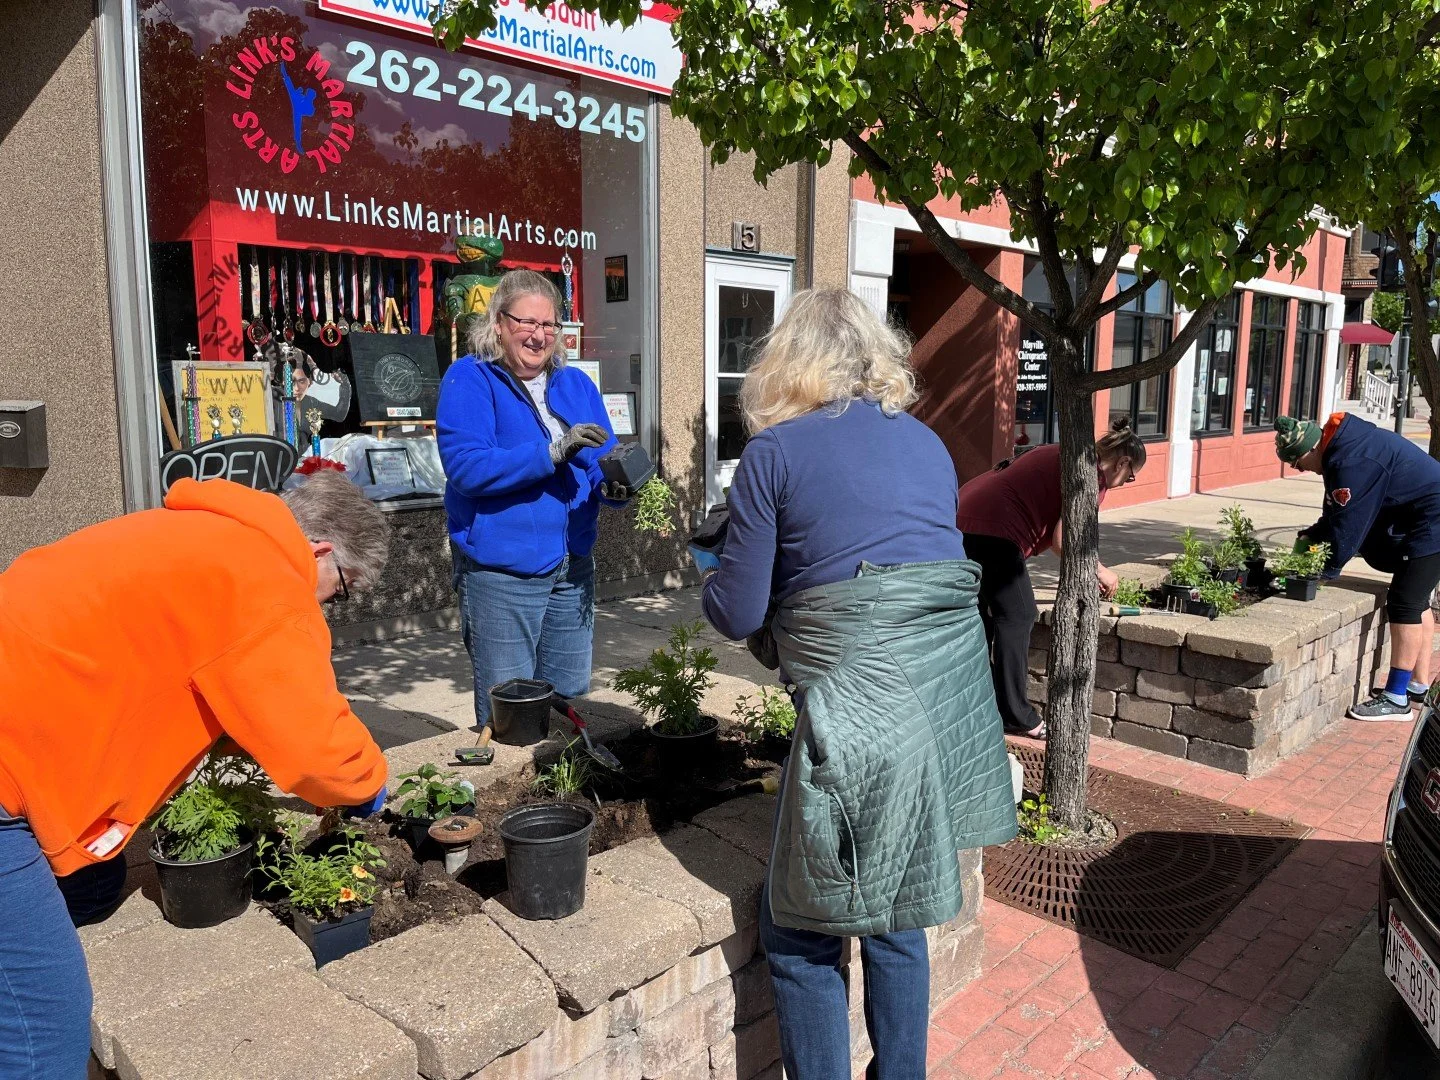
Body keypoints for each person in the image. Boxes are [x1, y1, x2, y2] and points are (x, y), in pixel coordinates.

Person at [695, 289, 1017, 1079]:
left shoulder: (775, 454)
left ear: (787, 365)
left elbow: (737, 612)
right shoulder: (929, 445)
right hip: (944, 705)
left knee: (800, 929)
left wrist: (709, 568)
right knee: (896, 908)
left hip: (862, 711)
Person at [0, 471, 392, 1078]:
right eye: (339, 591)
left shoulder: (206, 533)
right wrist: (367, 785)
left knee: (92, 886)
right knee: (45, 1026)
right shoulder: (265, 578)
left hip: (27, 716)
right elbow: (319, 749)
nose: (329, 607)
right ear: (318, 550)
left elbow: (177, 660)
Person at [437, 269, 630, 734]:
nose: (539, 335)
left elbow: (602, 457)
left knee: (569, 707)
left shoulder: (575, 384)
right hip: (503, 572)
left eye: (549, 326)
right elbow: (466, 466)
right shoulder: (470, 378)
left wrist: (617, 485)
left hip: (573, 566)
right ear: (499, 323)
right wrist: (551, 453)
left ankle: (567, 801)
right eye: (527, 323)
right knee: (512, 717)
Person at [955, 418, 1145, 739]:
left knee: (983, 618)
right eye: (1131, 477)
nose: (1128, 481)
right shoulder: (1089, 476)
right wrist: (1101, 571)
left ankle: (972, 704)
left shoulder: (1069, 454)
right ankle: (1015, 715)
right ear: (1123, 463)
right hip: (994, 530)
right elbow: (1065, 540)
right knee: (1018, 615)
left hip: (961, 519)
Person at [1275, 412, 1440, 719]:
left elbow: (1349, 527)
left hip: (1433, 521)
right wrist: (1309, 536)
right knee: (1417, 602)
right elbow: (1335, 514)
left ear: (1310, 449)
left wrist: (1325, 571)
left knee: (1404, 603)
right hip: (1425, 517)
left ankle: (1396, 699)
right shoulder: (1341, 451)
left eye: (1296, 462)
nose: (1298, 469)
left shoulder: (1350, 461)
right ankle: (1416, 687)